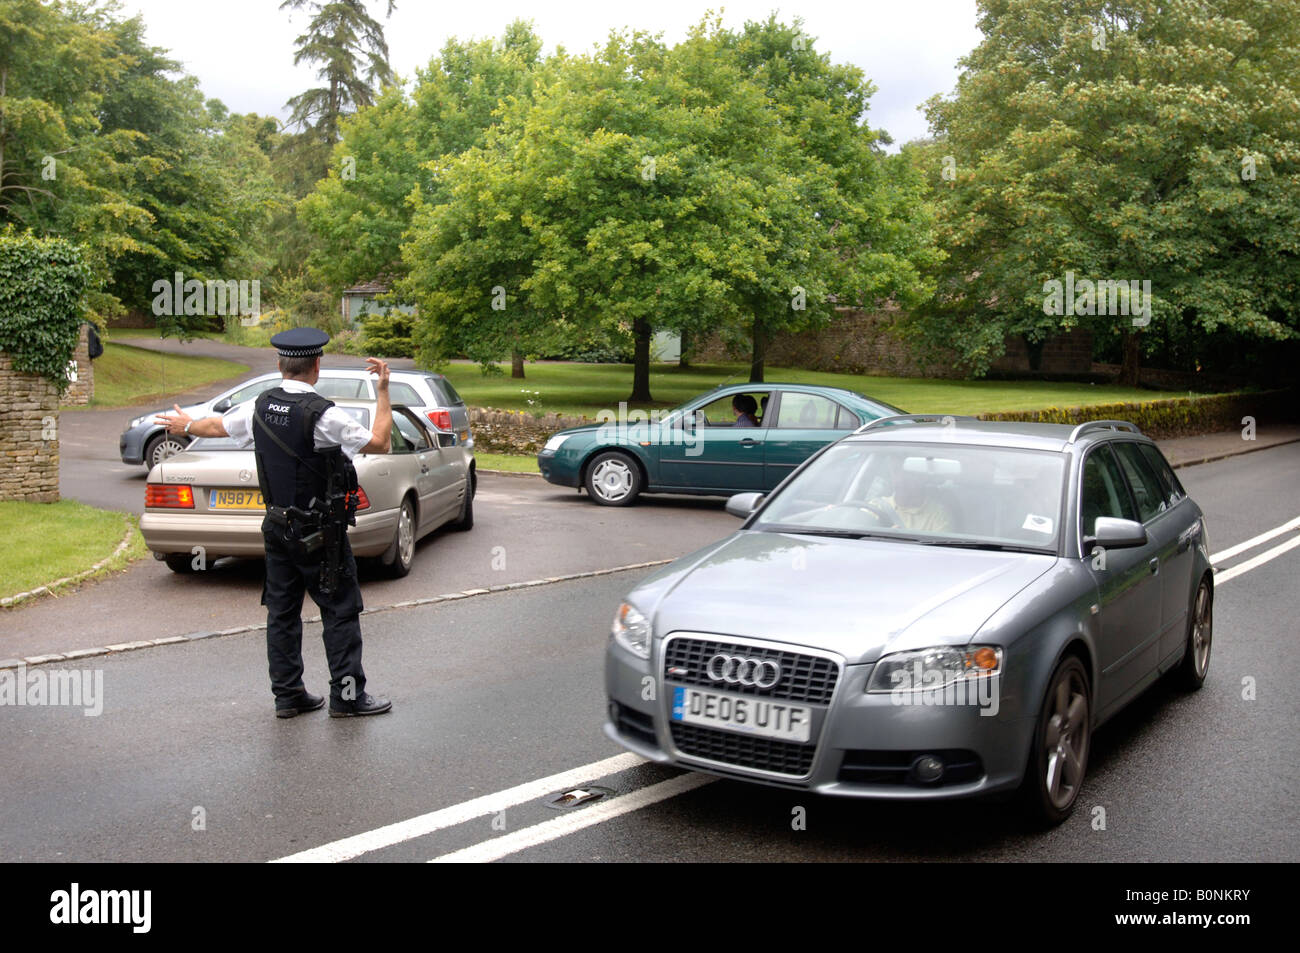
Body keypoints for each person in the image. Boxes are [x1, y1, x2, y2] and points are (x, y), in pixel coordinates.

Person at [156, 329, 395, 719]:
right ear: (315, 366)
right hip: (321, 534)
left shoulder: (259, 405)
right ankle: (347, 698)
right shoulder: (324, 413)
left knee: (282, 612)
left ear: (279, 365)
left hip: (277, 527)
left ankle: (288, 696)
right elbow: (381, 442)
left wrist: (186, 425)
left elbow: (217, 427)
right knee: (339, 608)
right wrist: (383, 389)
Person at [870, 454, 954, 533]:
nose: (900, 479)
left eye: (908, 473)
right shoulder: (876, 507)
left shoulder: (938, 515)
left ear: (922, 477)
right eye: (896, 472)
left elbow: (939, 548)